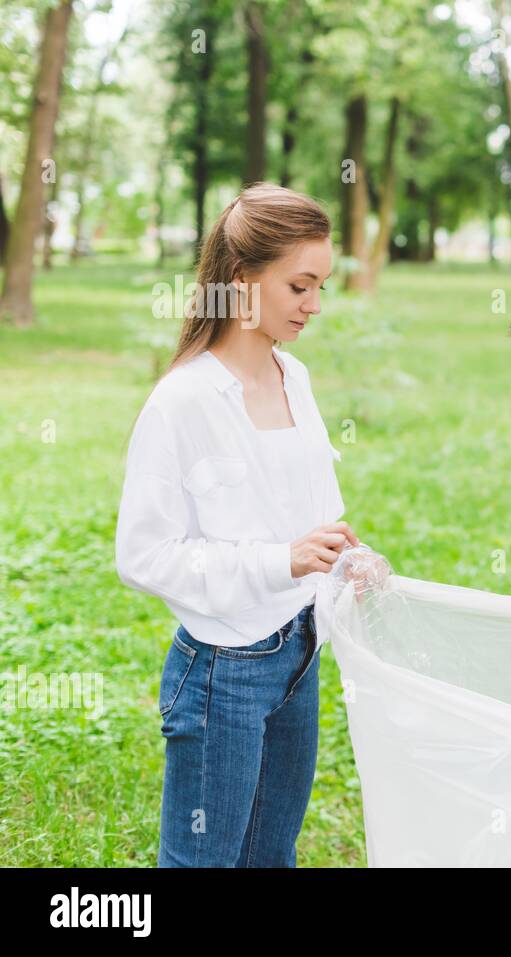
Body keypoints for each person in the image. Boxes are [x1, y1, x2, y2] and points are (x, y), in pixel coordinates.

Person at [117, 183, 359, 867]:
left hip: (300, 655)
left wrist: (346, 554)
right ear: (240, 280)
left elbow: (317, 517)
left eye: (320, 286)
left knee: (270, 855)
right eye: (299, 285)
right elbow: (143, 556)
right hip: (223, 671)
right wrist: (278, 560)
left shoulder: (296, 377)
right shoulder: (182, 402)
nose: (314, 305)